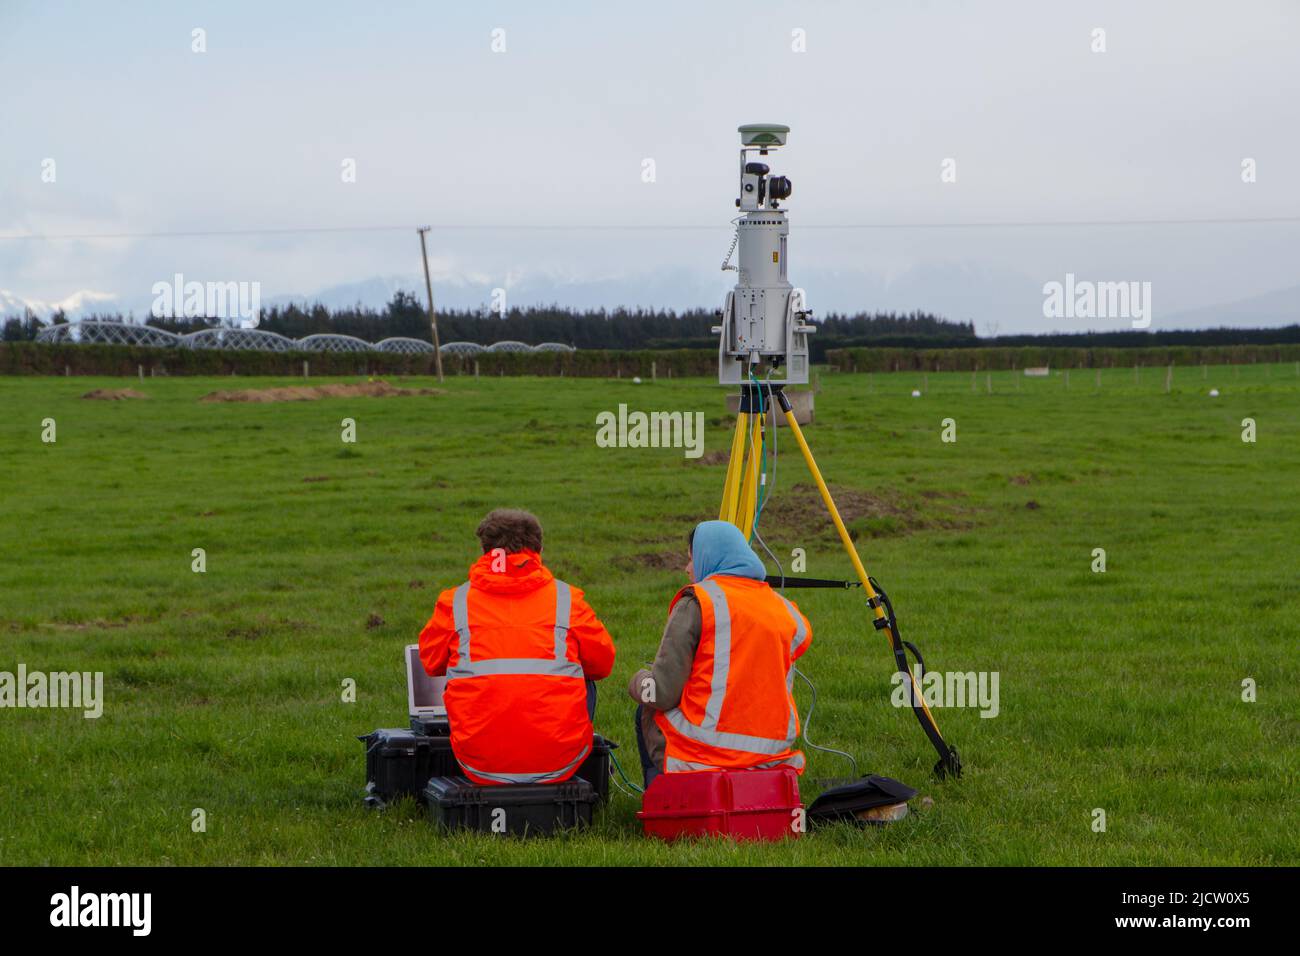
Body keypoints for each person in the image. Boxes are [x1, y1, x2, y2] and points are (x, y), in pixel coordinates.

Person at [419, 509, 615, 785]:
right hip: (560, 763)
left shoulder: (456, 601)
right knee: (583, 674)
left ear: (485, 550)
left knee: (458, 675)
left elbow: (430, 662)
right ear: (539, 549)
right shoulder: (567, 599)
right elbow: (603, 664)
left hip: (478, 762)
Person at [628, 520, 812, 787]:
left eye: (691, 559)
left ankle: (664, 799)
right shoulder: (783, 608)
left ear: (707, 558)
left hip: (705, 752)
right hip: (771, 756)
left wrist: (636, 680)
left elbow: (661, 693)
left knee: (646, 707)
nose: (687, 568)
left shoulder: (699, 601)